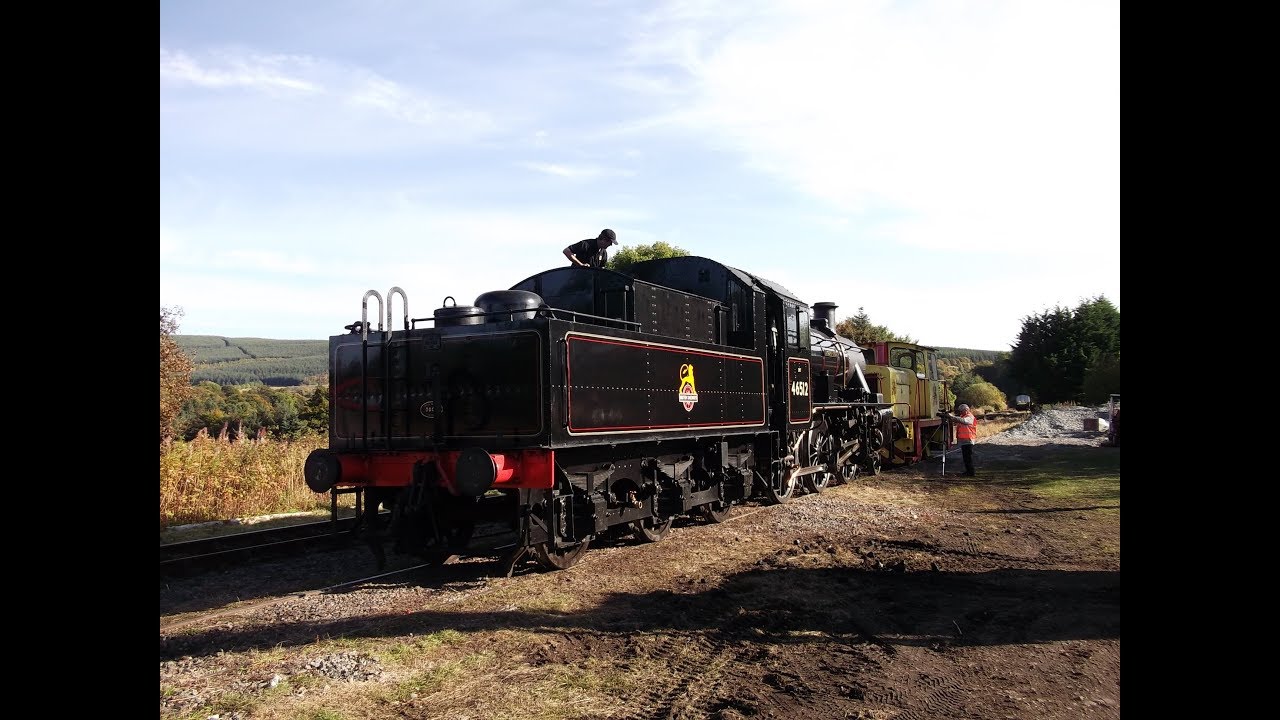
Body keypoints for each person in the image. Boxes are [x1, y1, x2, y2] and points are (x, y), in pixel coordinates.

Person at [942, 403, 979, 476]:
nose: (960, 412)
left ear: (966, 410)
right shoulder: (963, 416)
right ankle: (968, 471)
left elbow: (963, 421)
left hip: (968, 439)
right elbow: (958, 420)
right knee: (966, 458)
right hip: (964, 440)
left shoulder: (969, 417)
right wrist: (949, 417)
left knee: (968, 458)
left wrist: (952, 416)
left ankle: (970, 472)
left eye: (961, 411)